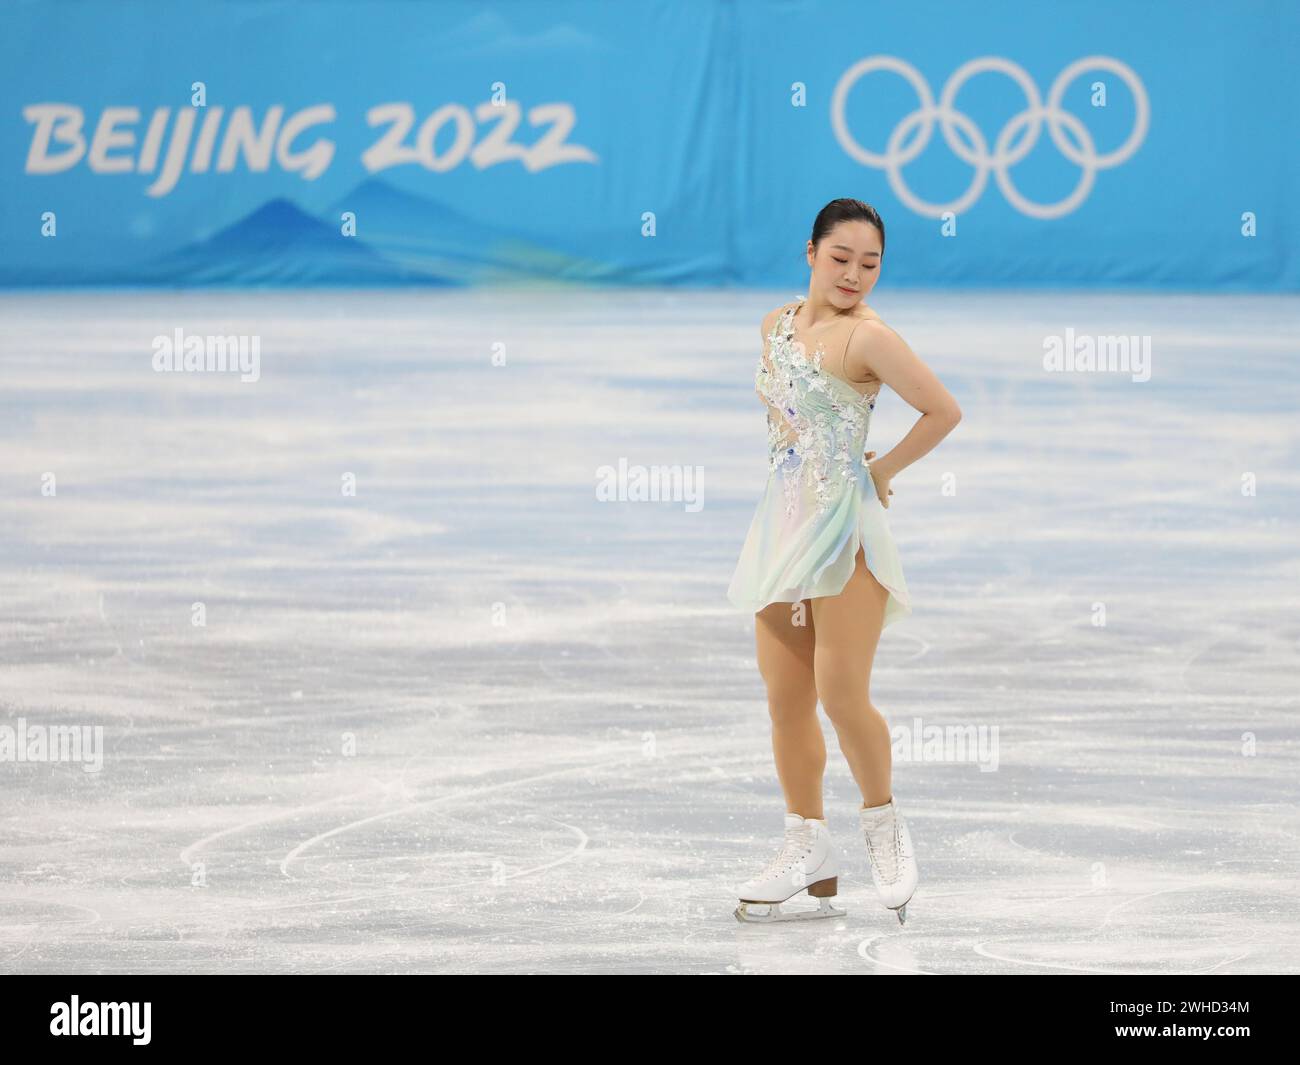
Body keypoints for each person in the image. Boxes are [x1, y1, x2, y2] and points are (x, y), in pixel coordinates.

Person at [728, 198, 962, 924]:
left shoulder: (871, 339)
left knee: (840, 691)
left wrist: (881, 469)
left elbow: (942, 410)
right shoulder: (775, 326)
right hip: (783, 526)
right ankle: (808, 845)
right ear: (810, 252)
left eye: (870, 263)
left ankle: (883, 826)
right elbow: (785, 422)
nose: (854, 274)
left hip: (847, 532)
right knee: (785, 695)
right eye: (841, 259)